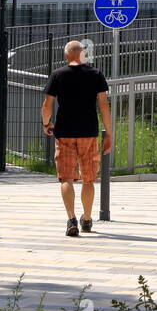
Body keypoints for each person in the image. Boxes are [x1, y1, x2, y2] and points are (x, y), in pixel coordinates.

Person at [41, 40, 113, 237]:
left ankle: (71, 219)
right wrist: (109, 133)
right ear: (82, 55)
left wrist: (46, 124)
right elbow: (104, 106)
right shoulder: (95, 74)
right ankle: (87, 219)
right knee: (88, 179)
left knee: (66, 178)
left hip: (64, 133)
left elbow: (47, 105)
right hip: (89, 133)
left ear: (66, 55)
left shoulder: (58, 75)